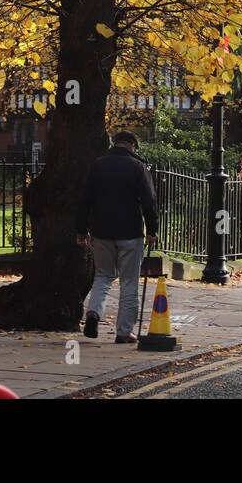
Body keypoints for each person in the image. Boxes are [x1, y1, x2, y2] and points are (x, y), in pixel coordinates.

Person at [76, 130, 159, 342]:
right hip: (130, 233)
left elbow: (84, 200)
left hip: (102, 232)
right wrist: (152, 230)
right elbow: (149, 202)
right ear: (132, 145)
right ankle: (123, 332)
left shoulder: (98, 165)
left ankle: (93, 312)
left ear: (115, 143)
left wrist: (81, 231)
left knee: (102, 276)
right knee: (129, 282)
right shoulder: (138, 167)